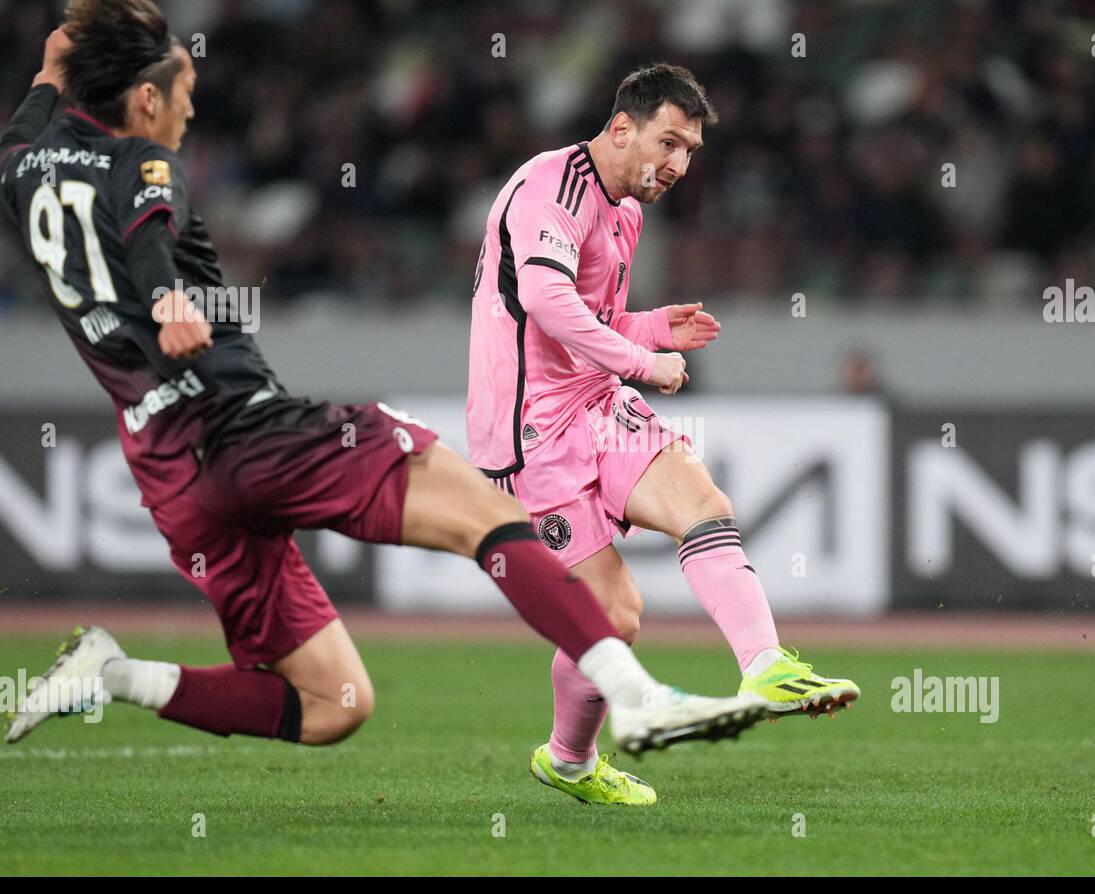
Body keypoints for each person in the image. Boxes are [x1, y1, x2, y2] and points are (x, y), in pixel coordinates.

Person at [2, 3, 766, 759]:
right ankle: (637, 698)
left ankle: (111, 672)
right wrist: (167, 295)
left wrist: (46, 72)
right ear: (144, 99)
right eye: (185, 90)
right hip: (248, 430)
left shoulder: (22, 171)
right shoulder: (147, 163)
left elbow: (22, 133)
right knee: (485, 512)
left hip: (165, 471)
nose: (191, 106)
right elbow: (147, 233)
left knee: (334, 704)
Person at [468, 64, 860, 806]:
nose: (679, 164)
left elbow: (589, 318)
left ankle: (766, 665)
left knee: (702, 502)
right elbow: (548, 301)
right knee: (612, 615)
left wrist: (647, 325)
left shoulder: (626, 211)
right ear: (622, 128)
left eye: (690, 151)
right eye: (669, 143)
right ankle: (569, 760)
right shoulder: (549, 187)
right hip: (528, 431)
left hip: (593, 399)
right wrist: (644, 359)